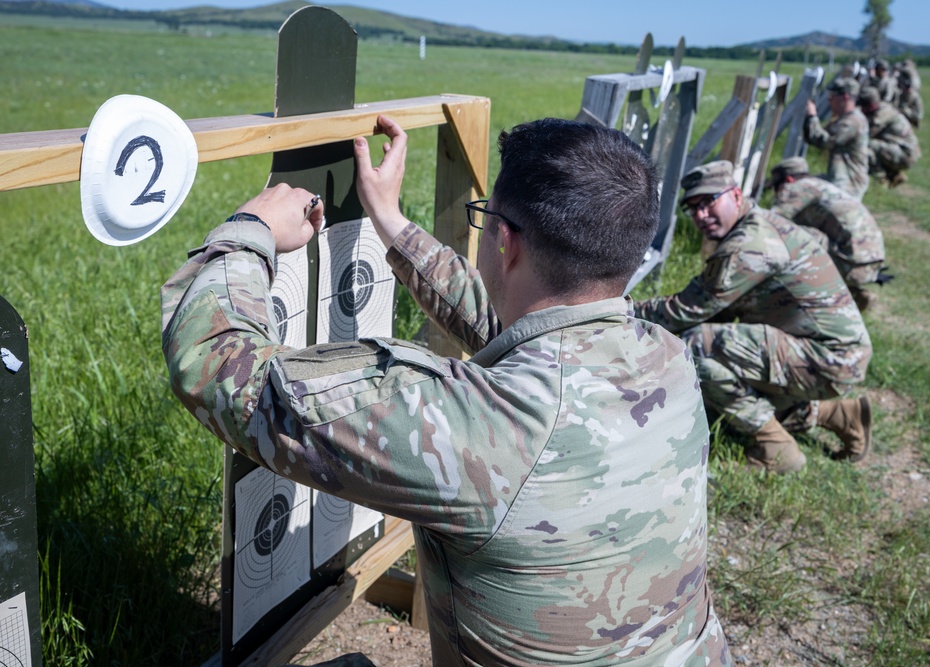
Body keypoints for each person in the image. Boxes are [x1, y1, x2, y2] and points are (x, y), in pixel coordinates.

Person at [161, 115, 732, 666]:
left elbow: (218, 369)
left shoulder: (483, 431)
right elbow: (519, 326)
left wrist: (250, 230)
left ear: (504, 242)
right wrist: (390, 221)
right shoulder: (669, 357)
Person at [635, 160, 873, 474]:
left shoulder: (748, 246)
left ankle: (775, 446)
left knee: (694, 346)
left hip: (830, 358)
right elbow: (719, 308)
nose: (701, 215)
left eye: (708, 202)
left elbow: (686, 310)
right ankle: (836, 414)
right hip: (831, 353)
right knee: (715, 353)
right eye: (692, 209)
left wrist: (622, 310)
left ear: (735, 195)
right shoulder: (757, 226)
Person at [768, 156, 888, 311]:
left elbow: (771, 221)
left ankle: (789, 296)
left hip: (852, 263)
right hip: (870, 263)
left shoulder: (798, 187)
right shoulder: (823, 186)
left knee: (790, 234)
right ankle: (849, 294)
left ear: (788, 180)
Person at [804, 77, 870, 199]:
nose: (829, 99)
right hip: (842, 178)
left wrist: (812, 117)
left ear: (845, 97)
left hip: (848, 184)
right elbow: (816, 138)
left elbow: (825, 141)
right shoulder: (845, 118)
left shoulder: (852, 122)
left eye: (833, 95)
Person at [858, 86, 921, 187]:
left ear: (871, 105)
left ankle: (881, 179)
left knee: (868, 146)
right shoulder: (882, 108)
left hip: (905, 154)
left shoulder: (882, 114)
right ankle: (894, 176)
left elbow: (865, 134)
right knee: (876, 146)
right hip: (901, 150)